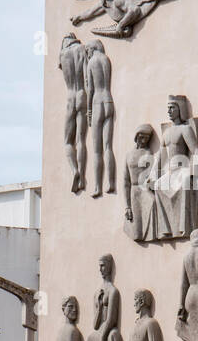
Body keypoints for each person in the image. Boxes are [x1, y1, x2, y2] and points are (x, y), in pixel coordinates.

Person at [148, 94, 198, 240]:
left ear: (180, 109)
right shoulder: (166, 134)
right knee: (158, 185)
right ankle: (165, 228)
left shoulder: (185, 130)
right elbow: (160, 157)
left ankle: (185, 226)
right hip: (171, 171)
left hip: (183, 169)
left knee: (185, 181)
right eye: (168, 108)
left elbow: (196, 149)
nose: (169, 111)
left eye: (172, 108)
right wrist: (152, 176)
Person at [84, 254, 123, 341]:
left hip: (109, 331)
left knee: (113, 336)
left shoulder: (113, 292)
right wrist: (100, 307)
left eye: (103, 265)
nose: (100, 269)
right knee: (90, 338)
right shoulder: (97, 293)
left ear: (109, 267)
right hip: (99, 330)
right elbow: (95, 325)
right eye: (99, 266)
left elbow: (111, 319)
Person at [83, 40, 116, 197]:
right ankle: (110, 182)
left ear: (92, 48)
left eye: (87, 51)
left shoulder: (92, 62)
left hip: (97, 103)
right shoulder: (106, 60)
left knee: (97, 150)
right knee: (108, 147)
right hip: (108, 101)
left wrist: (89, 110)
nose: (87, 54)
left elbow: (90, 89)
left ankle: (97, 186)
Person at [58, 35, 87, 194]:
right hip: (82, 94)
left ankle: (74, 170)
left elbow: (61, 68)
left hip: (70, 97)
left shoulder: (63, 54)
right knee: (80, 140)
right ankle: (82, 177)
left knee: (68, 141)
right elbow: (87, 76)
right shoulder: (81, 49)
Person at [123, 124, 156, 241]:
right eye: (142, 137)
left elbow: (152, 173)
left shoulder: (148, 153)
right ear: (136, 137)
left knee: (153, 203)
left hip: (145, 189)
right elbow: (125, 181)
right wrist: (127, 206)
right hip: (134, 191)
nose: (143, 141)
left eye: (147, 138)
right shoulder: (129, 155)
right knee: (137, 231)